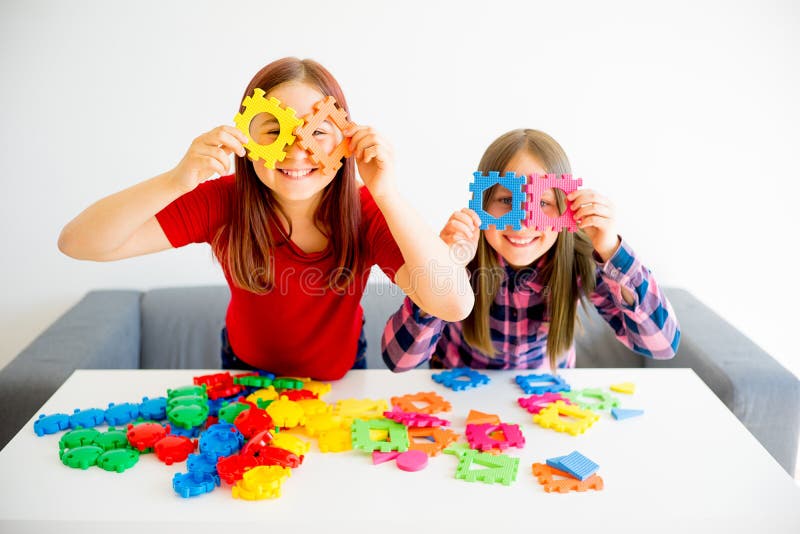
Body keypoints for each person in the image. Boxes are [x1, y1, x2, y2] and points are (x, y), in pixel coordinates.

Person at [58, 57, 473, 380]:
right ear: (246, 139)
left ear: (346, 142)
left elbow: (453, 304)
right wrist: (175, 179)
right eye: (273, 130)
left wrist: (387, 192)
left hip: (340, 377)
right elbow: (77, 243)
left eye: (316, 131)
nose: (295, 151)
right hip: (243, 371)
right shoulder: (222, 202)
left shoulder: (366, 211)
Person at [382, 129, 680, 371]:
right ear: (482, 203)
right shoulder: (461, 253)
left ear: (566, 206)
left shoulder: (580, 260)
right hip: (460, 398)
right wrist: (444, 271)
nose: (523, 224)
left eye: (543, 203)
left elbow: (663, 345)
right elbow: (398, 360)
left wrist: (610, 247)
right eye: (506, 201)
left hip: (542, 405)